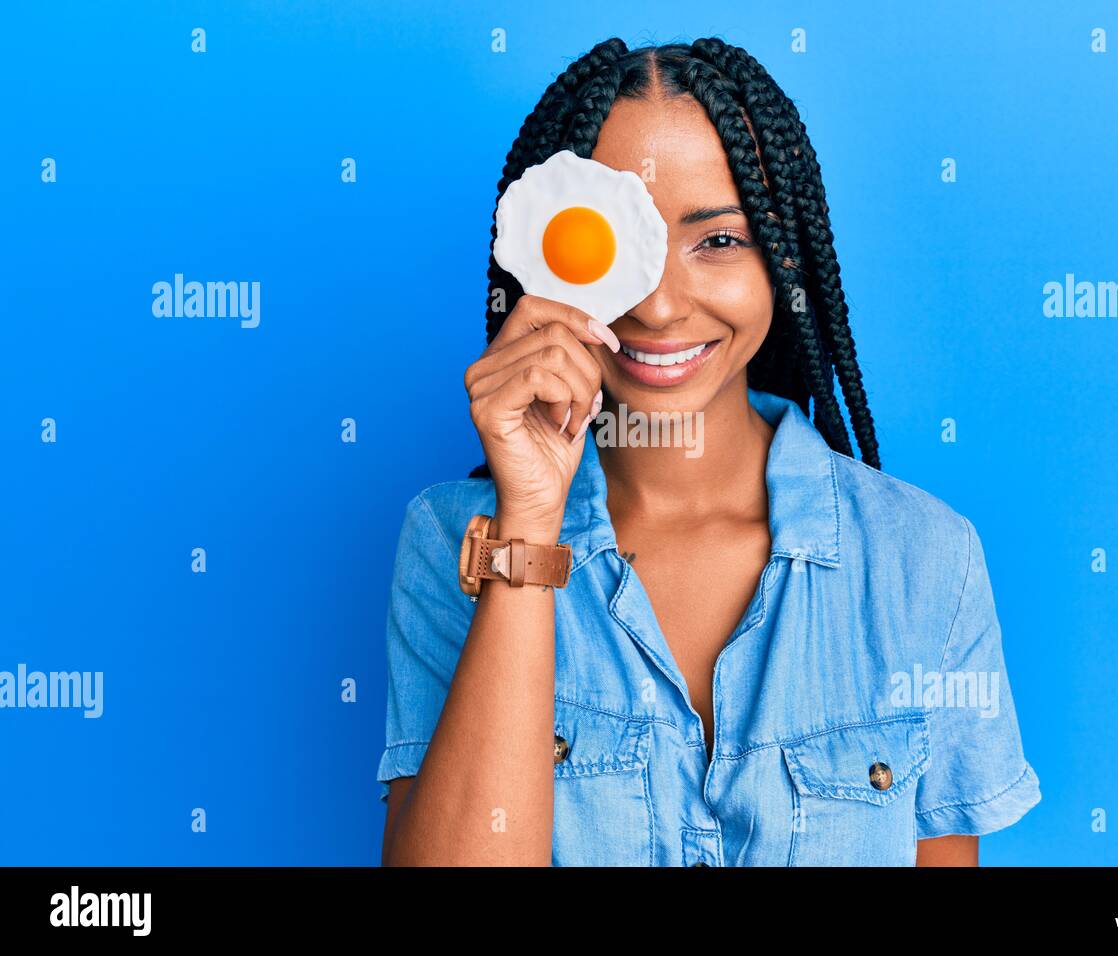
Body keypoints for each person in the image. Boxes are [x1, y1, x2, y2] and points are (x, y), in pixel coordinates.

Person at [378, 36, 1041, 866]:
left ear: (783, 258)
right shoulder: (452, 544)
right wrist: (531, 527)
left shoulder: (923, 561)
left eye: (718, 240)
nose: (657, 306)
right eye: (617, 247)